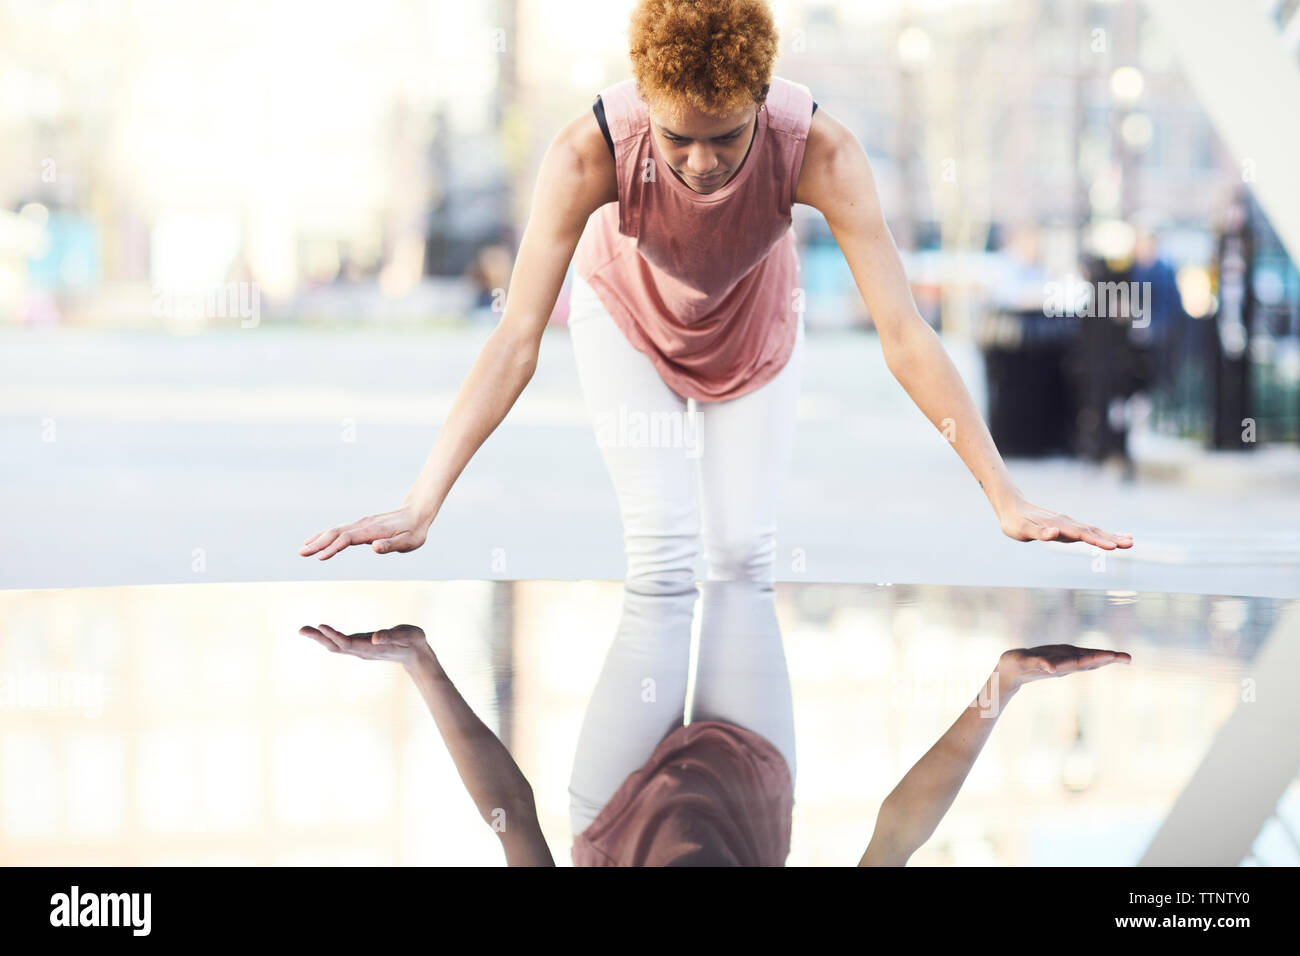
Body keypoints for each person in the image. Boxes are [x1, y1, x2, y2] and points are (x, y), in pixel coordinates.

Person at [299, 0, 1133, 583]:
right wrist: (422, 502)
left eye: (726, 137)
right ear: (644, 108)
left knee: (740, 554)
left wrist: (1004, 494)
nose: (700, 164)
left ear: (763, 103)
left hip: (755, 325)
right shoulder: (586, 153)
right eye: (675, 139)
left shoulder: (822, 154)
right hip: (623, 315)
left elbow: (905, 334)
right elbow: (517, 335)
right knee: (662, 546)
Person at [299, 598, 1131, 866]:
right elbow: (896, 836)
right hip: (748, 788)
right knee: (737, 570)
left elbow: (512, 814)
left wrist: (424, 666)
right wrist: (1002, 686)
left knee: (660, 587)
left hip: (615, 812)